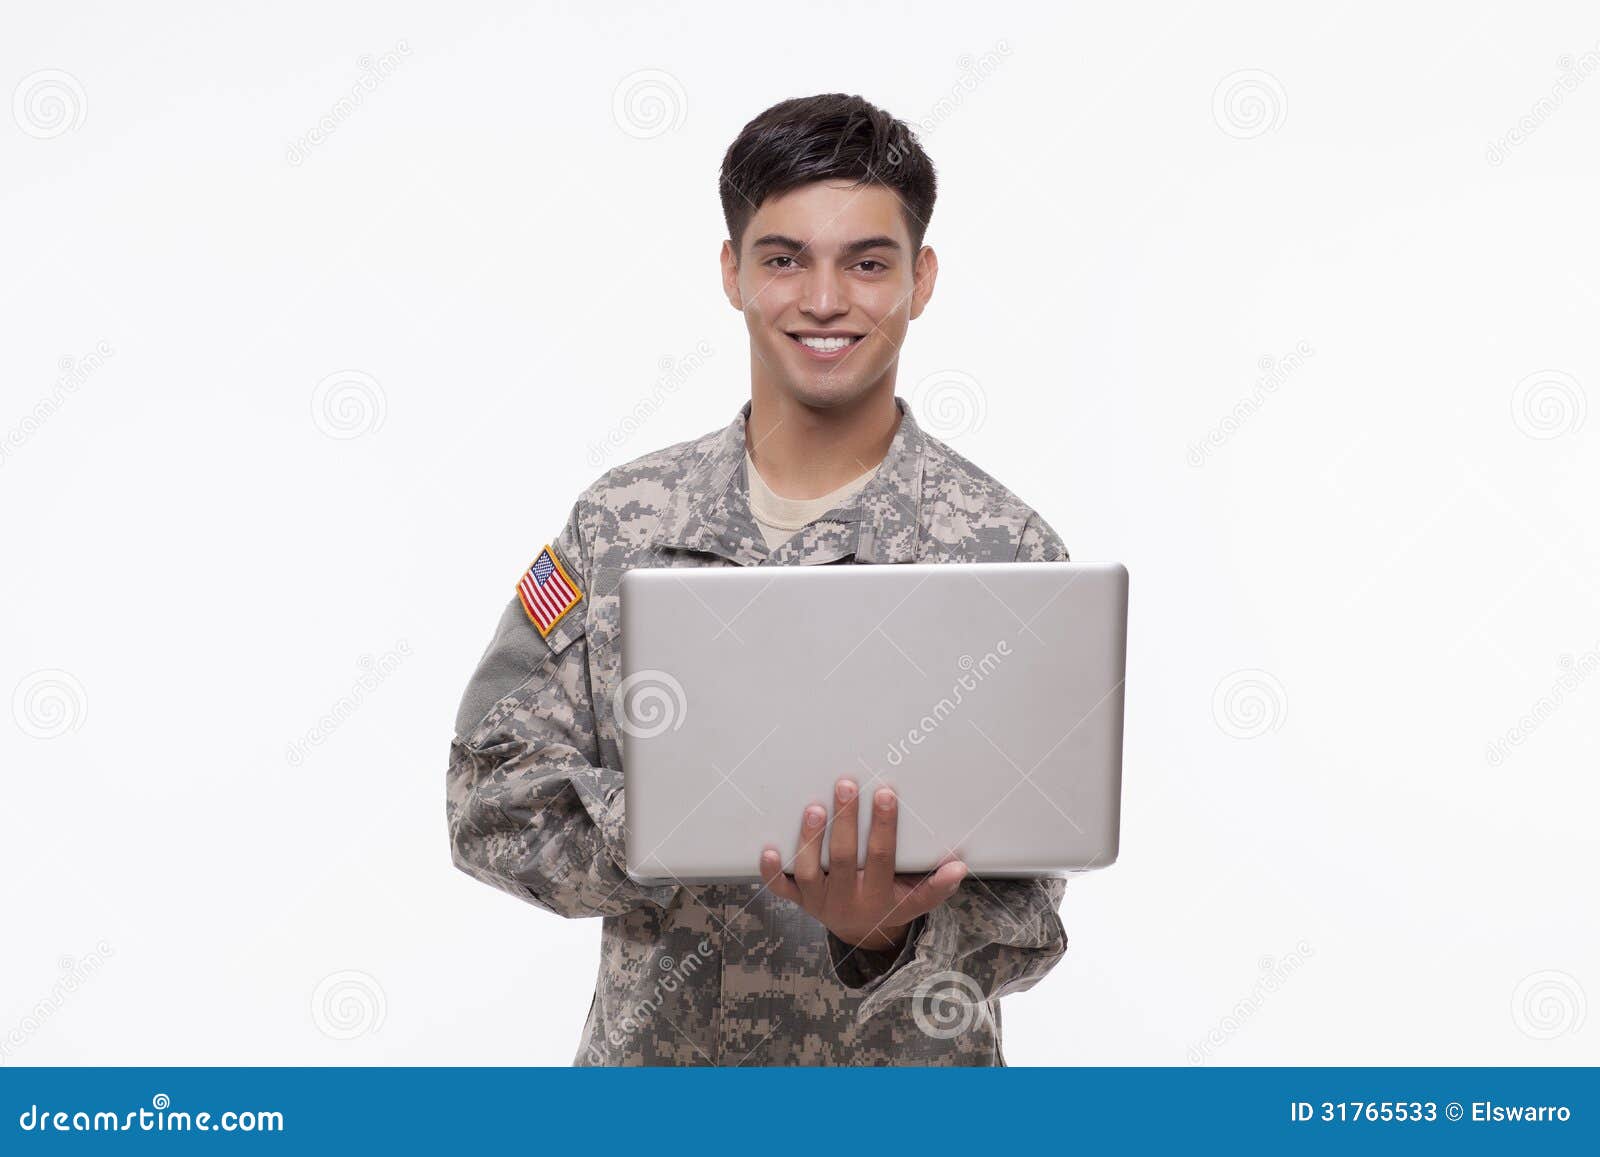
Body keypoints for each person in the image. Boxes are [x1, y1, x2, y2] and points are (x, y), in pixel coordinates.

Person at [446, 93, 1072, 1065]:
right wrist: (683, 819)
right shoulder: (620, 523)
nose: (823, 299)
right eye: (783, 259)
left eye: (867, 263)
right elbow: (488, 796)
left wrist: (886, 929)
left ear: (921, 280)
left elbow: (1026, 912)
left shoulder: (1007, 554)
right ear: (732, 274)